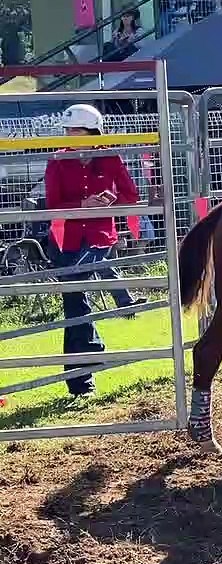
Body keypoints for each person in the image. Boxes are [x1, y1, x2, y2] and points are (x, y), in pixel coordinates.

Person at [43, 105, 143, 398]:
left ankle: (83, 376)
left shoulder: (109, 157)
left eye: (76, 130)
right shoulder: (57, 161)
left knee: (77, 301)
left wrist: (110, 201)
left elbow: (130, 195)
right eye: (67, 130)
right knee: (75, 302)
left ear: (92, 132)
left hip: (98, 237)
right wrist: (82, 206)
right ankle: (84, 374)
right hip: (66, 239)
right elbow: (53, 205)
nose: (69, 135)